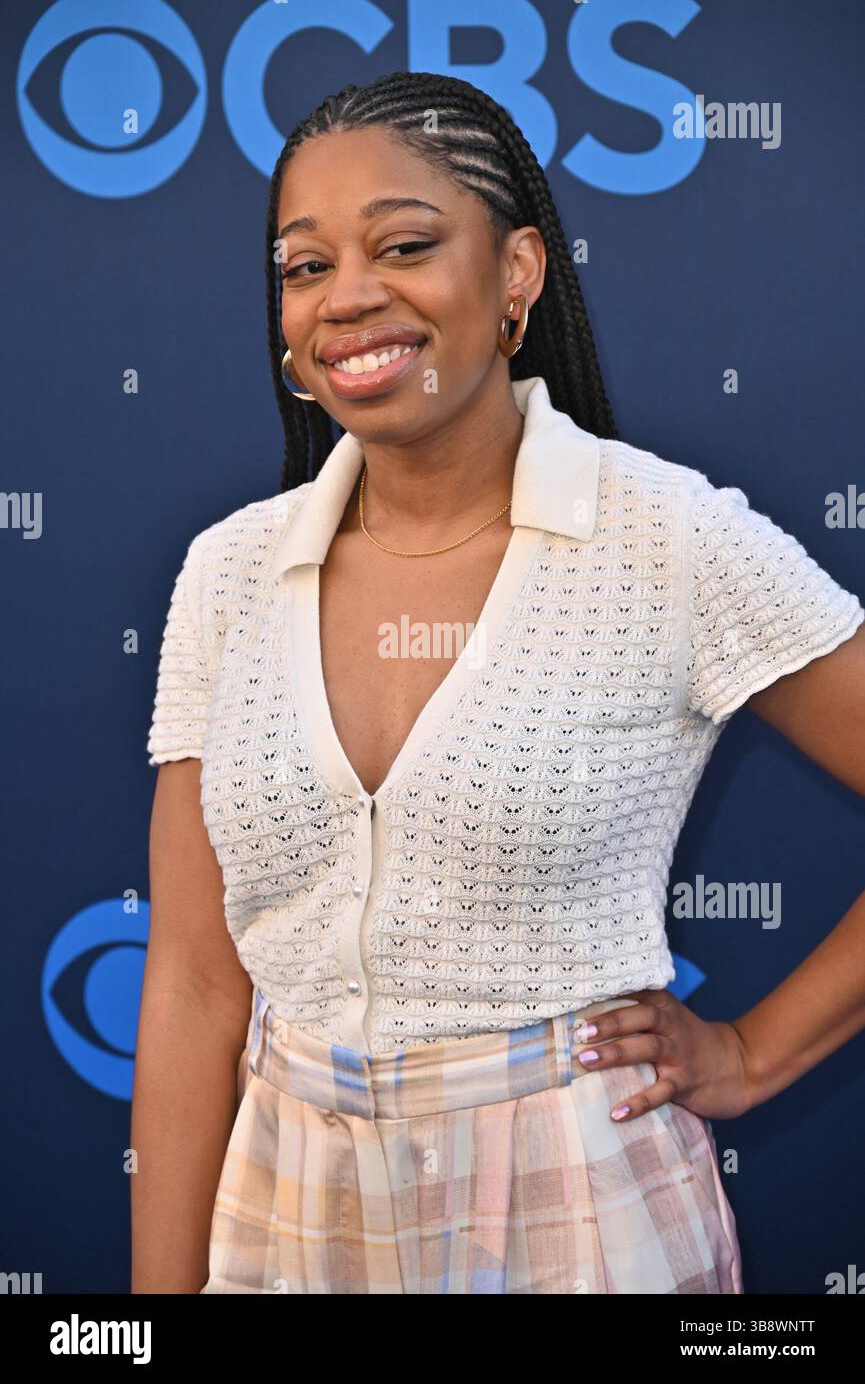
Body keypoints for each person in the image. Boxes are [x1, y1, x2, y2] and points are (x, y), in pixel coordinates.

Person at [131, 71, 865, 1295]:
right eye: (304, 267)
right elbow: (199, 980)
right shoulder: (227, 573)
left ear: (516, 271)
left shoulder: (665, 539)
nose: (347, 296)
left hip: (579, 1209)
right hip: (280, 1214)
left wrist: (749, 1051)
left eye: (404, 245)